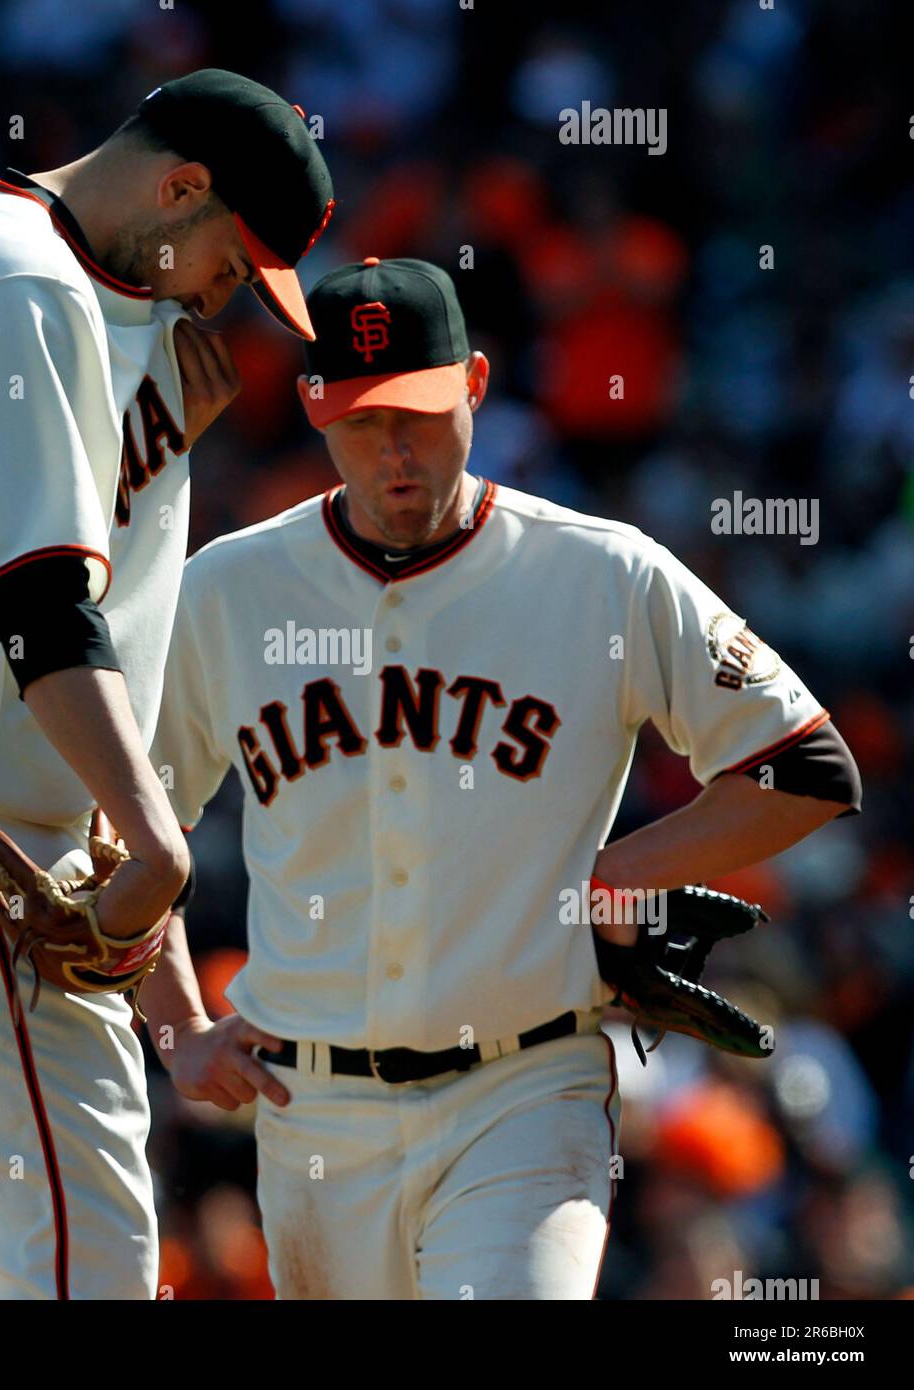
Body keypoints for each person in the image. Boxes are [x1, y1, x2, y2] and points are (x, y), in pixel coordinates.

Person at [140, 256, 862, 1299]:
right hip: (314, 1121)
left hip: (525, 1091)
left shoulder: (600, 572)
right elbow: (135, 820)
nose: (394, 451)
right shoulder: (228, 589)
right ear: (311, 406)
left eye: (422, 415)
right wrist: (176, 1027)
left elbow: (807, 764)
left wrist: (617, 871)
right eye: (362, 418)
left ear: (476, 383)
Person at [0, 69, 334, 1300]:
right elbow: (39, 617)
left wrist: (177, 1008)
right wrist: (160, 846)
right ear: (181, 185)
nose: (231, 298)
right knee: (84, 1260)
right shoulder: (27, 285)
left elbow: (72, 626)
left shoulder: (99, 291)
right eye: (235, 261)